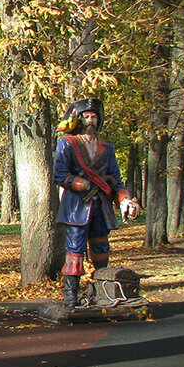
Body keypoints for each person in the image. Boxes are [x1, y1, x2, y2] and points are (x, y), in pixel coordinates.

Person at [53, 98, 140, 310]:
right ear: (79, 119)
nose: (91, 120)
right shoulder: (67, 143)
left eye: (94, 116)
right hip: (76, 208)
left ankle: (100, 290)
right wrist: (82, 184)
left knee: (101, 250)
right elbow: (60, 174)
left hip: (101, 207)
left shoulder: (107, 147)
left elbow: (115, 180)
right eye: (87, 116)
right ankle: (70, 297)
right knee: (74, 251)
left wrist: (125, 200)